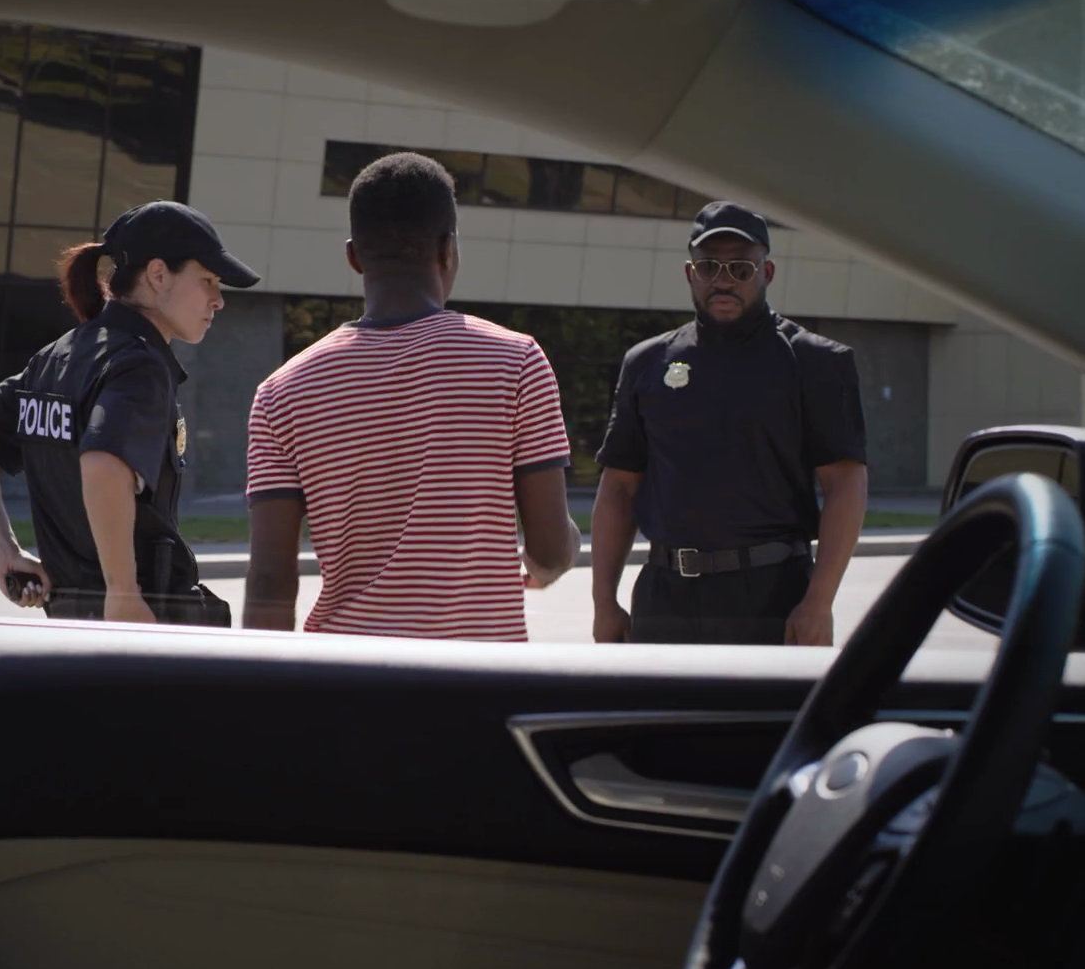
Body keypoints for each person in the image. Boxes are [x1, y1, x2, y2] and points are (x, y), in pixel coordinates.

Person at [242, 152, 580, 640]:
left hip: (348, 684)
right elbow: (549, 550)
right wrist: (554, 555)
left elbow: (270, 581)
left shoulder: (282, 391)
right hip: (475, 684)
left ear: (353, 256)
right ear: (448, 249)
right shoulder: (516, 361)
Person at [0, 201, 259, 625]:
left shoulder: (57, 356)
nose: (218, 300)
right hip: (136, 620)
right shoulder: (139, 364)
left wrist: (4, 553)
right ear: (158, 274)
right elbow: (104, 463)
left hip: (74, 619)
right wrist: (124, 594)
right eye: (207, 281)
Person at [591, 201, 868, 646]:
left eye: (741, 268)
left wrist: (819, 601)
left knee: (763, 720)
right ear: (689, 273)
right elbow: (619, 486)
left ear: (767, 272)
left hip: (772, 596)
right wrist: (604, 603)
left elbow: (846, 484)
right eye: (708, 266)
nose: (723, 279)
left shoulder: (815, 362)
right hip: (665, 598)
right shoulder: (646, 363)